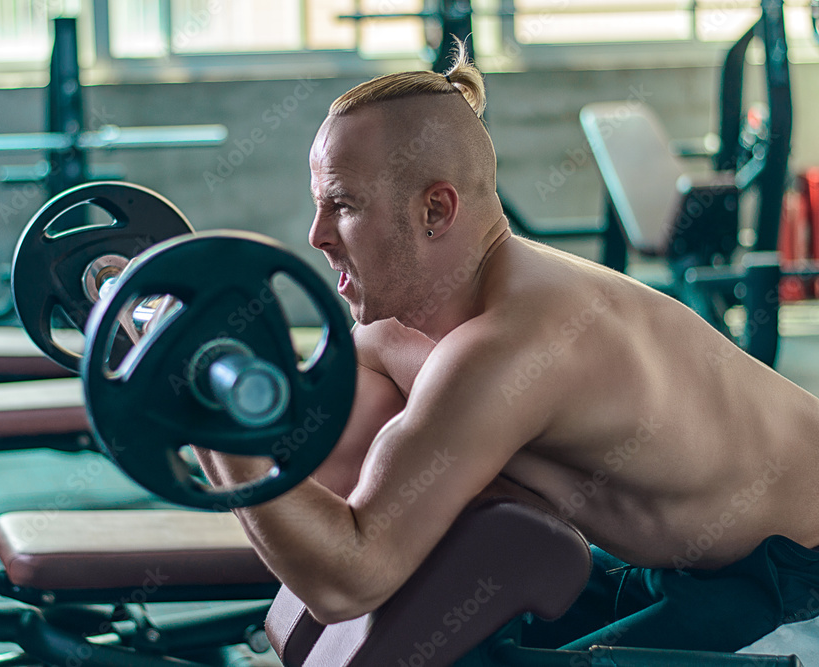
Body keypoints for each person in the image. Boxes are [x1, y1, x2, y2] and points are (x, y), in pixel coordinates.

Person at [195, 42, 819, 652]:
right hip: (689, 567)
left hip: (795, 582)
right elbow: (324, 482)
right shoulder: (393, 332)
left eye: (343, 206)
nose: (317, 235)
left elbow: (347, 577)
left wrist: (199, 414)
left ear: (435, 210)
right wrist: (200, 372)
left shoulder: (514, 343)